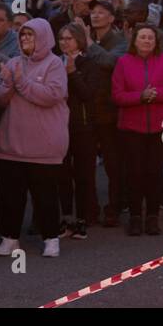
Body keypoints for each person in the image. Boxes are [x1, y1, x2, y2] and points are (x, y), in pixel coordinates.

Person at [0, 19, 70, 258]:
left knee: (45, 195)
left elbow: (52, 95)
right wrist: (6, 82)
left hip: (44, 145)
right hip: (11, 143)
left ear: (43, 37)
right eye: (23, 35)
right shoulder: (14, 62)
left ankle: (51, 238)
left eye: (30, 35)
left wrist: (20, 82)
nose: (25, 39)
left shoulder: (54, 64)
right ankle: (9, 237)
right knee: (9, 195)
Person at [111, 24, 163, 236]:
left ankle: (152, 217)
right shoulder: (123, 62)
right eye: (143, 37)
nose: (147, 41)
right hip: (131, 126)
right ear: (135, 40)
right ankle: (134, 216)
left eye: (151, 37)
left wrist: (154, 95)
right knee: (134, 172)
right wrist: (140, 96)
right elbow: (117, 95)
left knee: (155, 172)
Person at [61, 21, 116, 237]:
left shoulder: (91, 63)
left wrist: (73, 73)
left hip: (84, 126)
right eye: (62, 39)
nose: (65, 43)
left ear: (79, 41)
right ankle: (66, 218)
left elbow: (88, 94)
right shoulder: (55, 62)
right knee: (62, 175)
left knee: (84, 174)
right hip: (59, 126)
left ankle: (85, 217)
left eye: (69, 38)